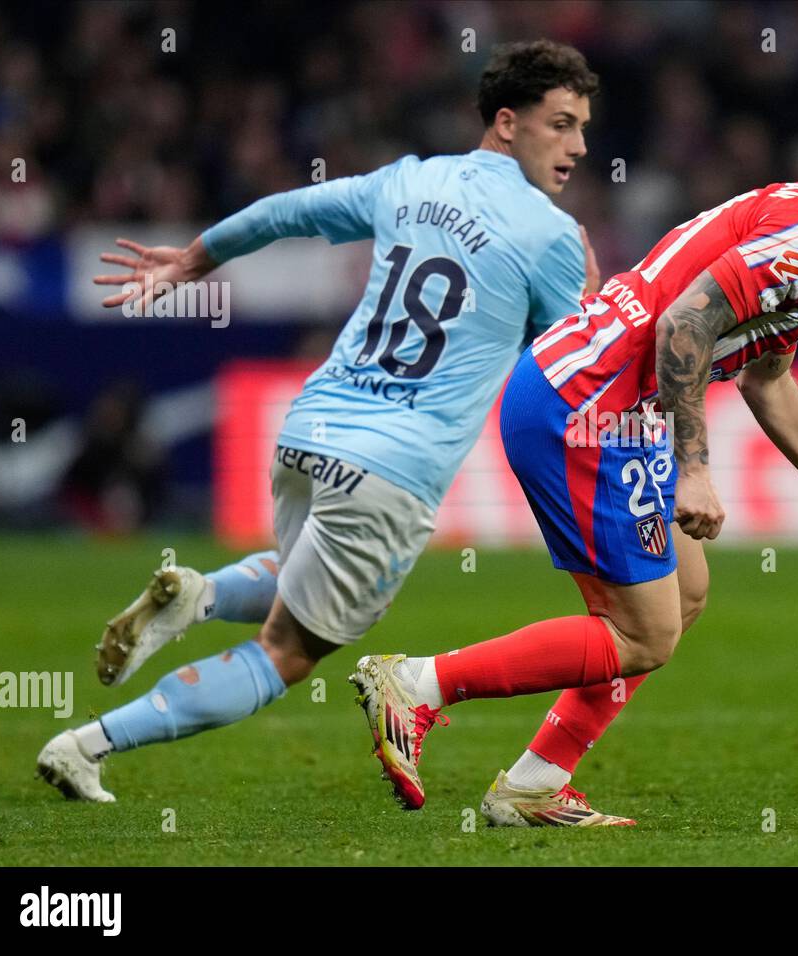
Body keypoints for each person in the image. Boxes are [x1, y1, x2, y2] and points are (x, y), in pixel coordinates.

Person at [351, 91, 798, 826]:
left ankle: (534, 784)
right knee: (641, 632)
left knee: (683, 595)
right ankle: (419, 684)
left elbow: (766, 375)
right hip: (584, 404)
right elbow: (686, 321)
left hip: (606, 404)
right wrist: (696, 465)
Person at [37, 39, 600, 803]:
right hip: (393, 470)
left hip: (310, 431)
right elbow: (579, 365)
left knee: (299, 574)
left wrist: (197, 259)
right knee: (287, 652)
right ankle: (88, 746)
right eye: (561, 124)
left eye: (583, 128)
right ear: (507, 122)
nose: (578, 146)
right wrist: (594, 295)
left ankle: (199, 595)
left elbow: (290, 211)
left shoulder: (412, 179)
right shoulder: (553, 237)